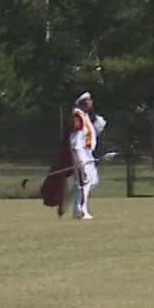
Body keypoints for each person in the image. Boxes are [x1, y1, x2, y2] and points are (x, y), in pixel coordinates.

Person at [41, 92, 104, 220]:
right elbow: (75, 140)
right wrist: (79, 158)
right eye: (88, 100)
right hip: (81, 153)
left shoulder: (85, 116)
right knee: (84, 182)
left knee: (92, 181)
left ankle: (71, 203)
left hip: (87, 153)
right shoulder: (78, 117)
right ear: (82, 103)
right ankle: (80, 211)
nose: (91, 102)